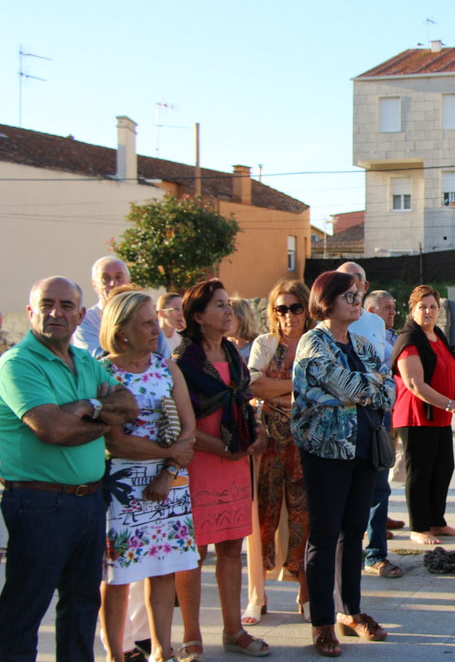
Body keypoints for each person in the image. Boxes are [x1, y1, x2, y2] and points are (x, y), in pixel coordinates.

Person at [0, 276, 138, 660]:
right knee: (25, 609)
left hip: (89, 501)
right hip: (39, 502)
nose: (54, 312)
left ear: (80, 316)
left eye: (64, 306)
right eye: (46, 304)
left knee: (81, 607)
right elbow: (52, 429)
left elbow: (128, 407)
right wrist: (96, 412)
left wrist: (84, 407)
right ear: (31, 312)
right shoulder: (16, 364)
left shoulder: (84, 363)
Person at [292, 271, 395, 656]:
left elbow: (390, 388)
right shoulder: (312, 343)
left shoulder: (363, 344)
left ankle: (352, 612)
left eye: (357, 295)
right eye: (348, 296)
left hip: (365, 447)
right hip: (327, 451)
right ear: (327, 301)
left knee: (354, 533)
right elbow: (353, 387)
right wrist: (367, 389)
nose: (356, 301)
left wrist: (364, 389)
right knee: (323, 535)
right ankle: (322, 622)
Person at [97, 291, 199, 662]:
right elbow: (116, 442)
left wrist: (169, 471)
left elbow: (188, 426)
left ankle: (162, 651)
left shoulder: (166, 367)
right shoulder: (104, 373)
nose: (156, 329)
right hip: (123, 488)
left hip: (170, 484)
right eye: (146, 323)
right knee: (118, 576)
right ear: (121, 332)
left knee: (164, 570)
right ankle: (116, 656)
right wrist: (170, 454)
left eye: (155, 321)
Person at [173, 279, 270, 659]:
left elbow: (244, 403)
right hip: (200, 465)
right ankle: (192, 635)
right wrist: (224, 450)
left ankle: (233, 631)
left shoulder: (233, 354)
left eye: (229, 304)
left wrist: (256, 432)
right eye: (219, 305)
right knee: (193, 554)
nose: (229, 311)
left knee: (231, 549)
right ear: (197, 316)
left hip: (234, 464)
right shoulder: (183, 363)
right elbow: (183, 426)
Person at [243, 279, 313, 626]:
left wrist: (278, 393)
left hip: (307, 443)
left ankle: (306, 593)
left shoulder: (316, 342)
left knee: (304, 517)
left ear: (307, 308)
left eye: (295, 307)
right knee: (262, 518)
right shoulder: (265, 343)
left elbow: (321, 389)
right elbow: (253, 384)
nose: (288, 315)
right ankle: (258, 595)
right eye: (281, 308)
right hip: (268, 442)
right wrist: (297, 388)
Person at [392, 285, 455, 549]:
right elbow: (414, 383)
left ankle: (436, 520)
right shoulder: (409, 340)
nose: (428, 311)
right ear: (412, 310)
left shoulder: (437, 335)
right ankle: (419, 526)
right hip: (416, 416)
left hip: (441, 416)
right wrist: (449, 403)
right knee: (420, 472)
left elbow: (446, 368)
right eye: (422, 306)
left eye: (433, 306)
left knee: (443, 468)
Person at [338, 264, 398, 574]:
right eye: (343, 283)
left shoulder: (375, 322)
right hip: (341, 417)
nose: (351, 288)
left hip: (375, 416)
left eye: (355, 282)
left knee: (378, 486)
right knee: (343, 489)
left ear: (364, 285)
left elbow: (384, 366)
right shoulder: (324, 328)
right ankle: (344, 555)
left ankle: (376, 553)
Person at [362, 289, 405, 563]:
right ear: (370, 312)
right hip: (364, 414)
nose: (392, 312)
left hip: (385, 415)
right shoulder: (359, 337)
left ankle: (377, 552)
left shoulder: (394, 337)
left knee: (381, 484)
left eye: (393, 307)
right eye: (386, 308)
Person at [74, 256, 170, 358]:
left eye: (119, 277)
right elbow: (94, 360)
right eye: (105, 278)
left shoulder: (147, 314)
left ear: (129, 281)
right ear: (94, 285)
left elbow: (164, 355)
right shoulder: (87, 320)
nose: (113, 283)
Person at [228, 296, 260, 364]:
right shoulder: (220, 347)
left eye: (229, 315)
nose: (225, 320)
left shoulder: (259, 345)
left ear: (242, 318)